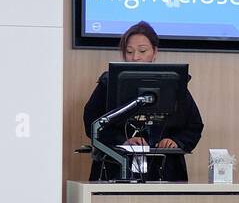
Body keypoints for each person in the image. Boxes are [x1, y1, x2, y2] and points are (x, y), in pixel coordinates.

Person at [83, 21, 204, 182]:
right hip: (116, 166)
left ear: (154, 52)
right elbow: (92, 122)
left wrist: (176, 141)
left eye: (142, 51)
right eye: (129, 51)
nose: (135, 57)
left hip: (164, 168)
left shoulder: (173, 82)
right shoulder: (108, 83)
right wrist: (123, 141)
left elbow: (194, 125)